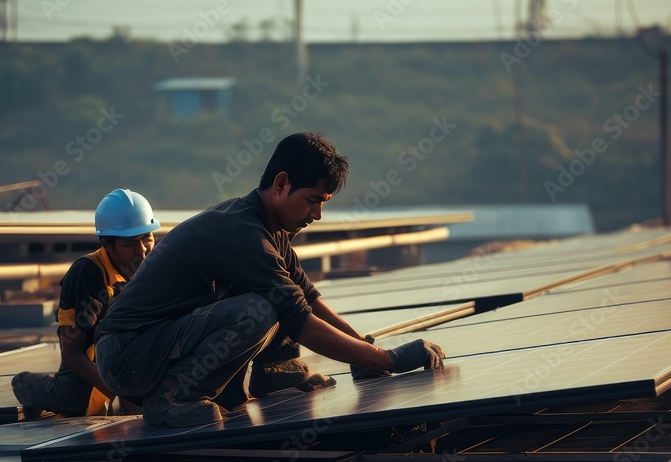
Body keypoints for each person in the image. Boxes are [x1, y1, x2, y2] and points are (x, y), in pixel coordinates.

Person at [94, 132, 446, 428]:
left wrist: (363, 352)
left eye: (323, 203)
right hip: (129, 356)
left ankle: (275, 371)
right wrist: (388, 358)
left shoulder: (269, 228)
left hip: (155, 346)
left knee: (277, 295)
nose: (317, 214)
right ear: (281, 183)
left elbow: (306, 297)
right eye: (312, 201)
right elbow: (300, 320)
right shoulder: (242, 232)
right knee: (260, 309)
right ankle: (171, 397)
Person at [11, 188, 160, 419]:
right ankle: (28, 385)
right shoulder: (87, 273)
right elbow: (71, 353)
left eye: (147, 238)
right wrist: (118, 391)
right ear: (107, 245)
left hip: (117, 360)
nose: (142, 250)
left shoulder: (148, 266)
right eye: (130, 243)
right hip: (88, 363)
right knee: (74, 403)